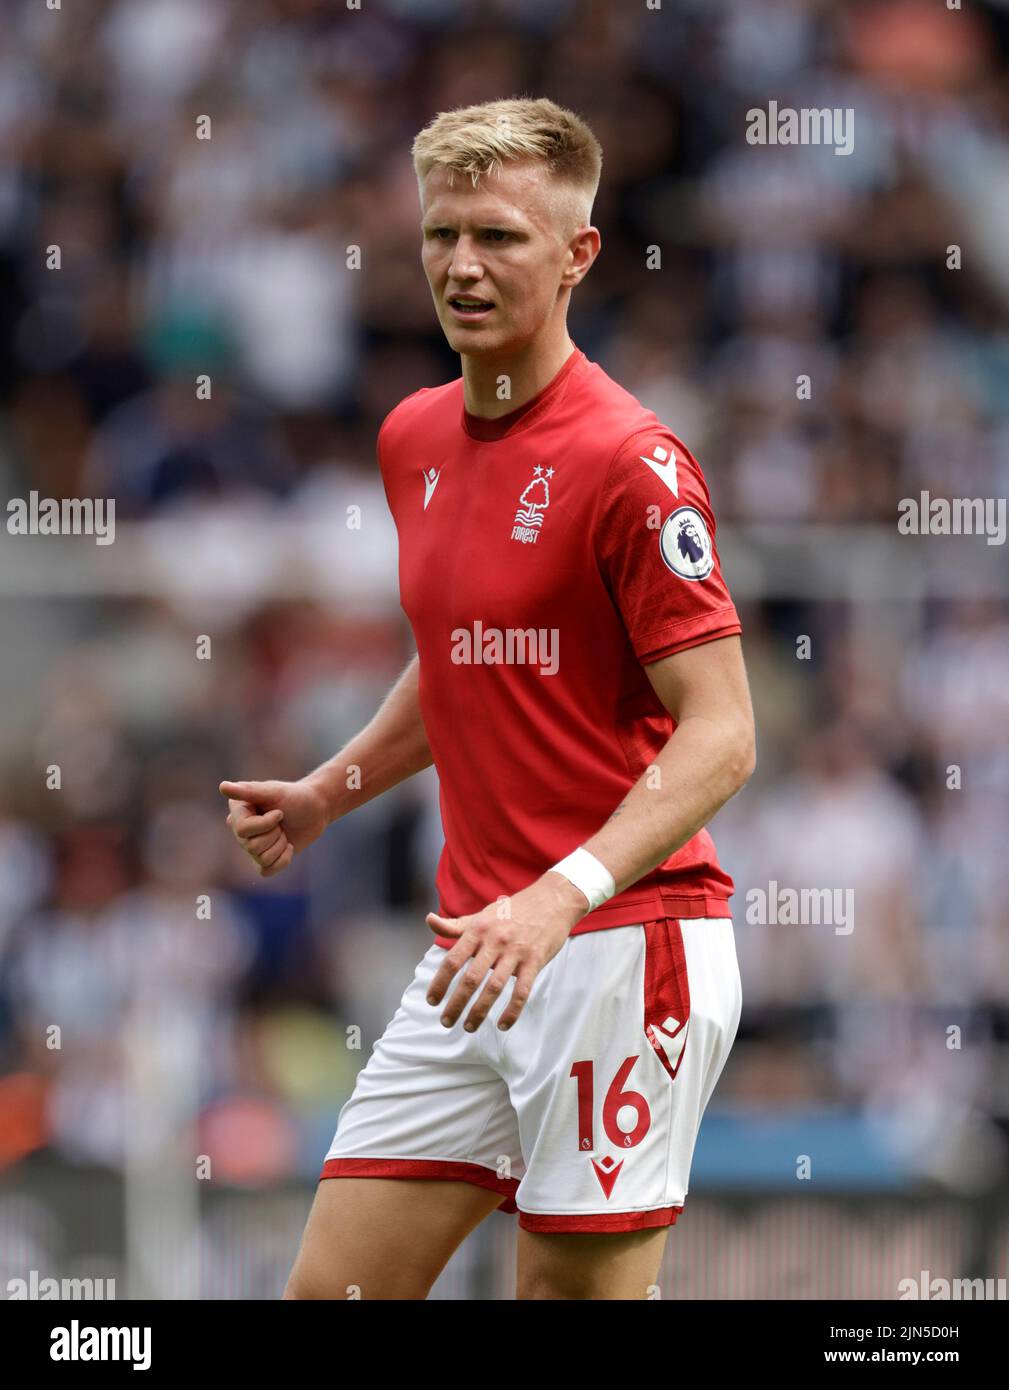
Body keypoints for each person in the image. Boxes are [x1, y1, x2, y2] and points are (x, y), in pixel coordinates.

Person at [220, 97, 755, 1301]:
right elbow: (468, 653)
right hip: (475, 951)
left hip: (619, 945)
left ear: (577, 256)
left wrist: (557, 899)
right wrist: (327, 791)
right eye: (441, 234)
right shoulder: (411, 435)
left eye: (501, 237)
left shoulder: (633, 462)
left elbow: (724, 732)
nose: (462, 265)